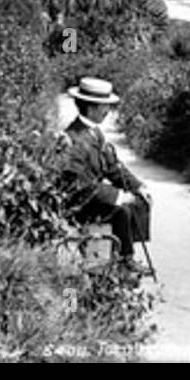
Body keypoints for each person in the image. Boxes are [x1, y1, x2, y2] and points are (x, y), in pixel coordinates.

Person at [58, 77, 152, 274]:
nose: (107, 111)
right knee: (123, 209)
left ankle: (123, 255)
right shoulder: (73, 139)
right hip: (80, 204)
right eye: (104, 106)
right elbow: (77, 184)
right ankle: (123, 259)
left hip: (93, 197)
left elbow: (113, 167)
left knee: (140, 201)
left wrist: (138, 186)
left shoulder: (94, 133)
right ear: (91, 108)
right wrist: (116, 196)